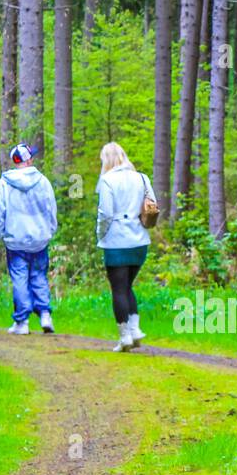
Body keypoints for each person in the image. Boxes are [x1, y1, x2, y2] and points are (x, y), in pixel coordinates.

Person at [0, 142, 58, 335]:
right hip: (40, 238)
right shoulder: (42, 181)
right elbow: (50, 207)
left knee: (20, 277)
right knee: (39, 276)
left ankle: (22, 321)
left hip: (15, 240)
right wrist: (50, 230)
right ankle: (45, 314)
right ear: (28, 160)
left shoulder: (4, 183)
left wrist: (1, 233)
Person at [95, 141, 152, 352]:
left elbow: (106, 213)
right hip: (139, 240)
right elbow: (152, 204)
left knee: (118, 288)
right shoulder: (142, 178)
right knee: (127, 286)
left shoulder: (107, 181)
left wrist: (100, 234)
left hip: (116, 240)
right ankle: (135, 330)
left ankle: (125, 336)